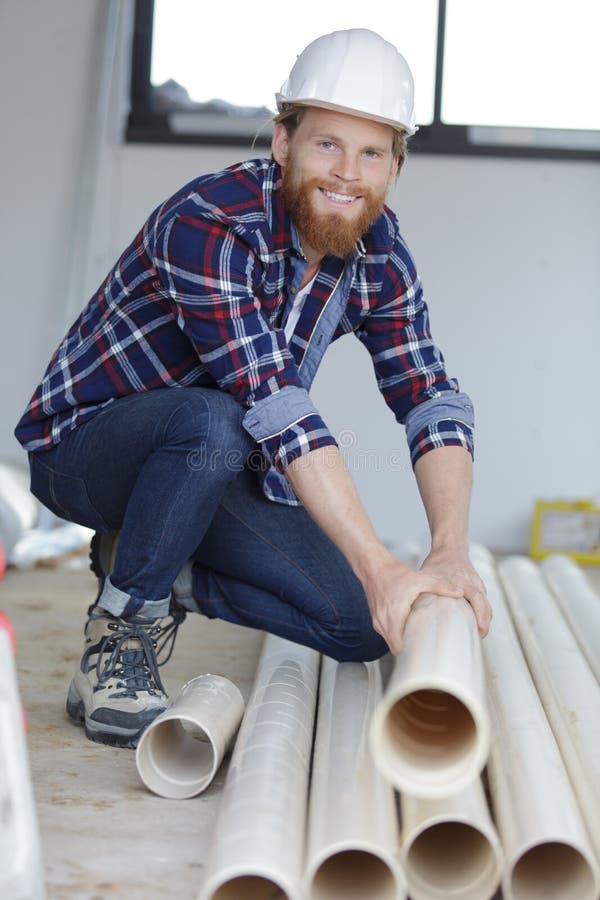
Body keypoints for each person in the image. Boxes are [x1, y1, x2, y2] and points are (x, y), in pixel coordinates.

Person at [15, 28, 491, 749]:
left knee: (362, 623)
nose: (347, 172)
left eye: (372, 153)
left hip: (213, 463)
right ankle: (121, 633)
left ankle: (155, 568)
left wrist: (448, 550)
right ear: (282, 141)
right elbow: (275, 405)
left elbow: (430, 398)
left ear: (396, 165)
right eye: (327, 144)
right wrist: (380, 562)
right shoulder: (211, 222)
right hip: (86, 450)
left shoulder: (381, 256)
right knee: (216, 419)